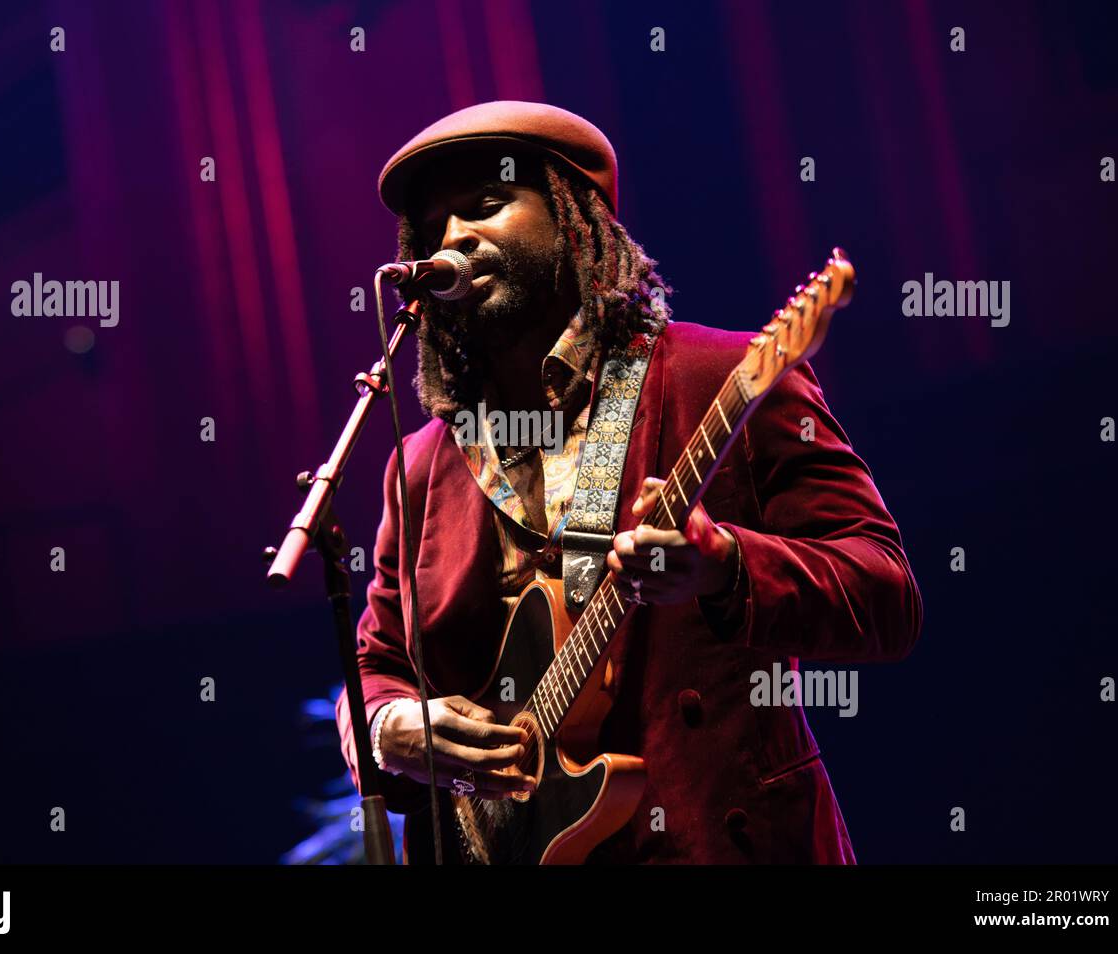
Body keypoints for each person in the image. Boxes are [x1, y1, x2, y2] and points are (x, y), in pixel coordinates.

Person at [335, 101, 922, 863]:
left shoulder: (720, 377)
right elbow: (377, 666)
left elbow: (887, 594)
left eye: (485, 207)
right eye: (433, 228)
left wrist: (726, 567)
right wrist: (387, 727)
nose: (453, 240)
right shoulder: (420, 468)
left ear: (575, 216)